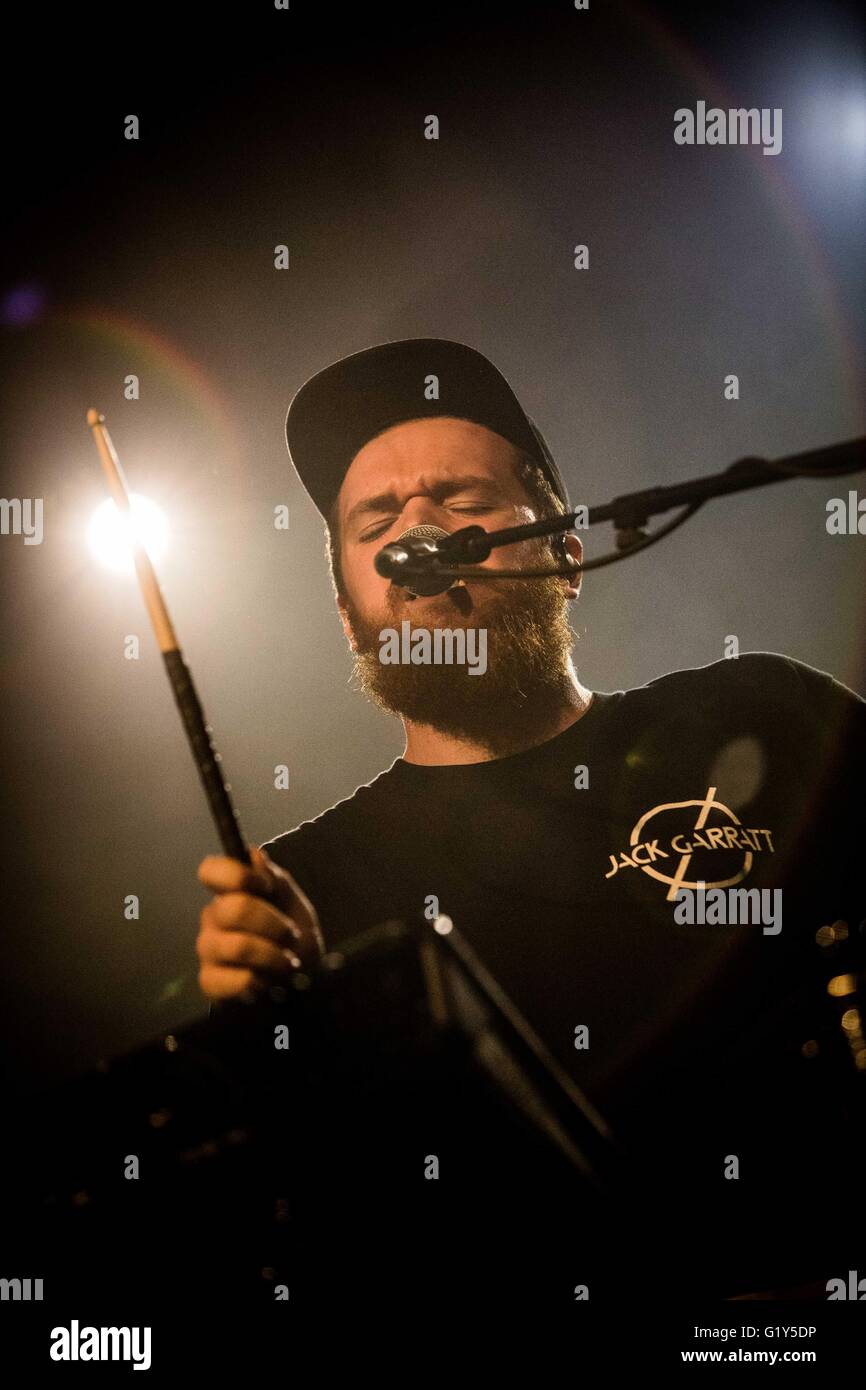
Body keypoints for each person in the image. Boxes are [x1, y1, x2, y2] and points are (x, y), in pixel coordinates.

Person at [196, 338, 865, 1298]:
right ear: (350, 613)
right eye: (377, 520)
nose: (415, 534)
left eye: (461, 503)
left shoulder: (763, 708)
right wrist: (289, 1028)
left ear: (566, 550)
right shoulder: (312, 884)